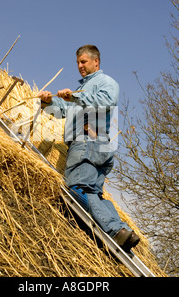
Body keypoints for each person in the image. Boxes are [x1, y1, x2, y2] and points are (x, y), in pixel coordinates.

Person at [37, 45, 140, 252]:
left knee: (76, 189)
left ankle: (113, 229)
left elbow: (105, 102)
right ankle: (122, 231)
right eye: (77, 62)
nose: (79, 66)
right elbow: (61, 112)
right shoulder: (80, 90)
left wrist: (74, 97)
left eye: (83, 62)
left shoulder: (105, 83)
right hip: (96, 145)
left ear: (96, 62)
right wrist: (47, 102)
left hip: (88, 142)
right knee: (94, 193)